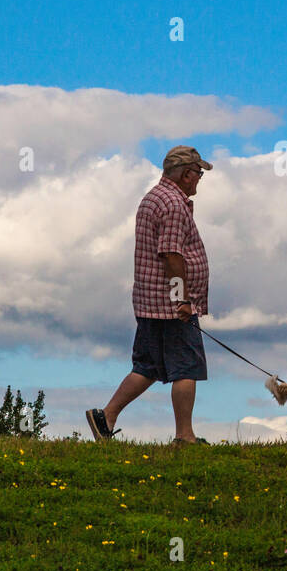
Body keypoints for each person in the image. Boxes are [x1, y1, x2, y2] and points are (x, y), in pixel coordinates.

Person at [87, 146, 213, 445]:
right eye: (198, 173)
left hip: (150, 301)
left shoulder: (154, 197)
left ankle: (106, 417)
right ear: (185, 174)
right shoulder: (172, 204)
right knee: (188, 368)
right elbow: (171, 254)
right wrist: (182, 298)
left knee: (148, 366)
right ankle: (185, 437)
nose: (199, 179)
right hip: (170, 304)